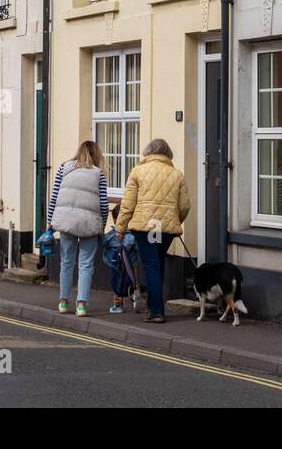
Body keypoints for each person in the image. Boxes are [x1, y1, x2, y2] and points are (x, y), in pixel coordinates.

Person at [114, 138, 190, 324]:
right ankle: (153, 307)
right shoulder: (176, 174)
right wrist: (174, 221)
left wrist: (120, 227)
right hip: (164, 229)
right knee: (157, 264)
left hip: (145, 226)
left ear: (148, 152)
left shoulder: (138, 171)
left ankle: (156, 311)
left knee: (151, 265)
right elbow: (185, 205)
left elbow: (127, 204)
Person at [46, 140, 110, 317]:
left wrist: (50, 221)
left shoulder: (63, 168)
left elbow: (54, 196)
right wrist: (102, 225)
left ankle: (63, 302)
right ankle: (81, 304)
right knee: (86, 264)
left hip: (66, 222)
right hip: (89, 223)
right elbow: (104, 205)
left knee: (66, 262)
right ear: (96, 155)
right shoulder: (99, 174)